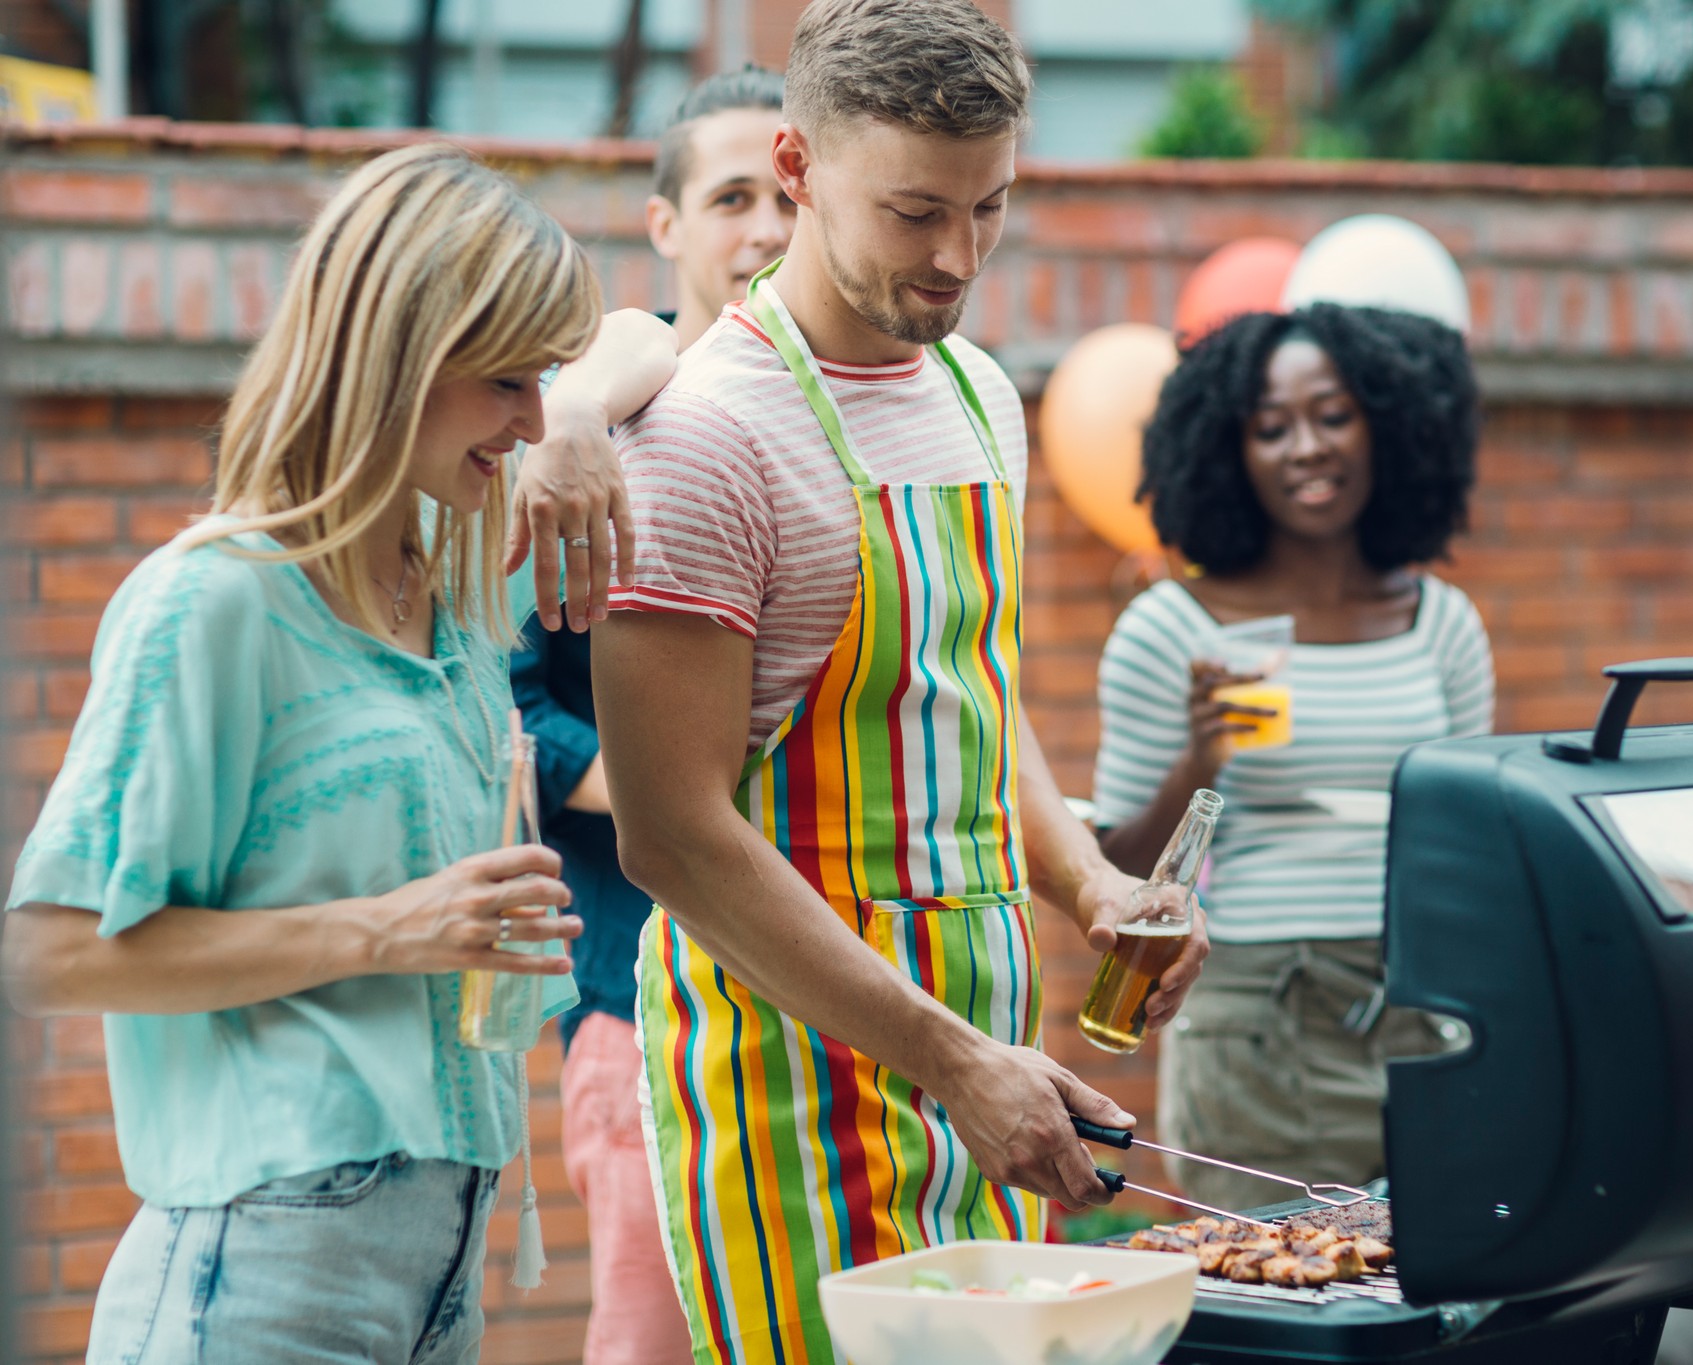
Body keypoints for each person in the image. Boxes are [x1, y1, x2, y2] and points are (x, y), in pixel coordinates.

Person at [590, 3, 1206, 1361]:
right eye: (915, 211)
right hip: (792, 1082)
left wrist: (1089, 884)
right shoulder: (703, 436)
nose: (956, 257)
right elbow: (671, 836)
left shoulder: (980, 392)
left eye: (988, 208)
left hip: (993, 1057)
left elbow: (973, 710)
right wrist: (951, 1060)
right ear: (799, 169)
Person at [0, 145, 597, 1362]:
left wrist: (586, 415)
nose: (535, 419)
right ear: (399, 354)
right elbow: (47, 951)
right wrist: (392, 928)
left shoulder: (455, 601)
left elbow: (667, 348)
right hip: (262, 1261)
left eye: (548, 383)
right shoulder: (214, 601)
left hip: (442, 1254)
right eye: (509, 381)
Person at [510, 65, 795, 1365]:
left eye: (792, 194)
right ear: (667, 222)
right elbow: (498, 698)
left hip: (829, 997)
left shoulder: (855, 423)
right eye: (734, 195)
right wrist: (660, 788)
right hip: (637, 991)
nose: (770, 228)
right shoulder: (594, 424)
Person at [1092, 304, 1493, 1211]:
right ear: (1228, 453)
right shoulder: (1172, 629)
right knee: (1284, 1290)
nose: (1307, 446)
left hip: (1420, 1007)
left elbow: (1465, 835)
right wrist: (1205, 753)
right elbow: (1115, 862)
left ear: (1387, 427)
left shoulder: (1443, 624)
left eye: (1334, 415)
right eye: (1271, 427)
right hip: (1259, 1022)